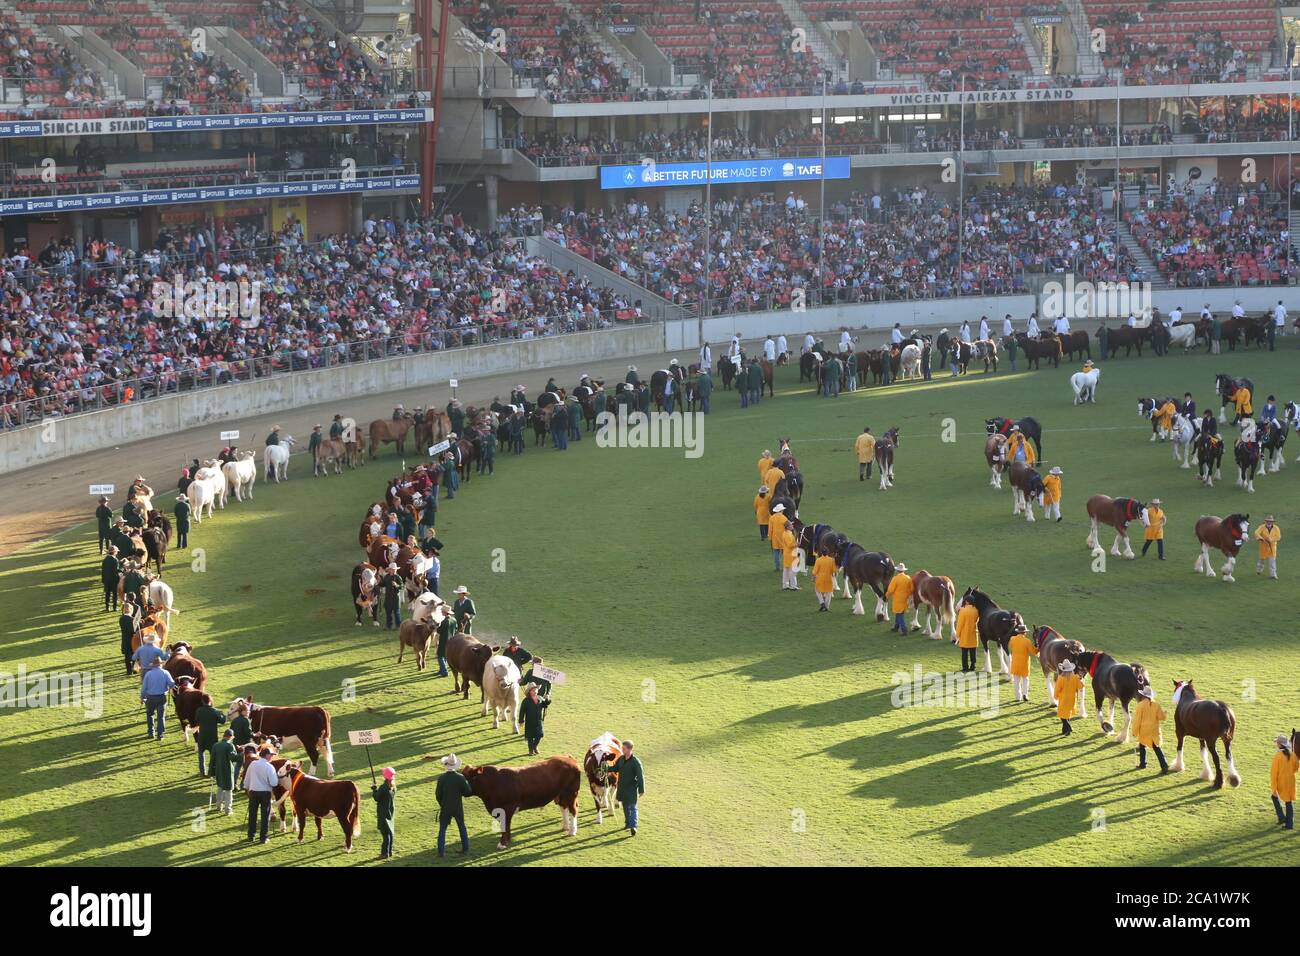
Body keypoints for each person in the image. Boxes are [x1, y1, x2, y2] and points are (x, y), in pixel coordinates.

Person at [436, 754, 473, 856]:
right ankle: (465, 849)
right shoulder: (460, 778)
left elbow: (438, 795)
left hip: (445, 807)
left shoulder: (442, 778)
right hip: (457, 806)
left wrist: (442, 803)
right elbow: (468, 791)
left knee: (442, 829)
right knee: (462, 827)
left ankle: (441, 852)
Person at [609, 739, 646, 835]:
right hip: (621, 787)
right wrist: (606, 768)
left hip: (632, 789)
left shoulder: (636, 762)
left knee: (632, 807)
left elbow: (640, 776)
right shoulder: (621, 759)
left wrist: (641, 790)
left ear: (630, 749)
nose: (622, 750)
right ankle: (628, 824)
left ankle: (633, 826)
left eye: (624, 749)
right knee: (625, 806)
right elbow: (615, 768)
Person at [244, 747, 279, 844]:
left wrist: (247, 789)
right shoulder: (269, 767)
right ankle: (263, 837)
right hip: (265, 793)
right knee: (265, 815)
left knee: (252, 814)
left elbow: (247, 779)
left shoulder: (253, 764)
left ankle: (251, 836)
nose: (272, 757)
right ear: (267, 755)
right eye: (271, 755)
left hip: (253, 792)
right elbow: (274, 783)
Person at [1131, 686, 1168, 773]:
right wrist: (1165, 713)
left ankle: (1143, 764)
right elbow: (1161, 717)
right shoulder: (1156, 705)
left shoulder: (1140, 705)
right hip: (1154, 730)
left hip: (1144, 731)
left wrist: (1134, 731)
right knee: (1157, 748)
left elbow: (1137, 720)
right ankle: (1164, 766)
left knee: (1142, 746)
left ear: (1143, 695)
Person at [140, 656, 176, 741]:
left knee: (150, 715)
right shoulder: (165, 672)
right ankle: (160, 735)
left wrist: (142, 697)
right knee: (161, 717)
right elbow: (171, 684)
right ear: (160, 664)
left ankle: (151, 733)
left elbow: (144, 687)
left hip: (150, 698)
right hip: (161, 697)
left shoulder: (148, 674)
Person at [192, 693, 227, 777]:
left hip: (202, 736)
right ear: (210, 701)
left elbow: (196, 720)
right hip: (212, 737)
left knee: (201, 754)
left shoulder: (199, 710)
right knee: (213, 756)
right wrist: (222, 714)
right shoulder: (215, 711)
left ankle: (202, 772)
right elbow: (223, 721)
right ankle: (212, 772)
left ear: (202, 701)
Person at [1270, 734, 1297, 830]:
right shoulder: (1293, 755)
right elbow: (1296, 768)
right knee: (1288, 801)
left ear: (1280, 744)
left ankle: (1283, 819)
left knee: (1274, 797)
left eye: (1277, 742)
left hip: (1281, 782)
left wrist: (1273, 787)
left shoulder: (1278, 756)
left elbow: (1274, 773)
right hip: (1291, 782)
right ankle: (1288, 822)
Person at [210, 729, 240, 815]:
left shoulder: (216, 745)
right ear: (231, 737)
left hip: (218, 770)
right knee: (228, 790)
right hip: (227, 771)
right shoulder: (230, 746)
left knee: (220, 788)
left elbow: (212, 760)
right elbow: (233, 758)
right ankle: (228, 810)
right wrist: (242, 754)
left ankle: (218, 806)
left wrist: (211, 772)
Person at [519, 683, 550, 756]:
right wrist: (521, 720)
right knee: (530, 737)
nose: (534, 691)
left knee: (539, 736)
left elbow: (545, 705)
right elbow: (522, 711)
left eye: (535, 690)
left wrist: (547, 699)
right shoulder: (526, 701)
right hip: (529, 722)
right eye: (532, 690)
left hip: (539, 721)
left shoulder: (540, 698)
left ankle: (535, 746)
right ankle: (530, 751)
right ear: (529, 691)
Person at [373, 767, 396, 859]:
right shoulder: (393, 787)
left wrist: (374, 789)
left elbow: (377, 798)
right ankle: (389, 851)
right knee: (390, 833)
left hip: (383, 814)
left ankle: (384, 853)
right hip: (390, 813)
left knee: (385, 834)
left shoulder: (383, 788)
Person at [1007, 625, 1036, 701]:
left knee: (1016, 680)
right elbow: (1033, 652)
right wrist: (1038, 649)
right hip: (1024, 663)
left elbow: (1010, 646)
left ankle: (1017, 697)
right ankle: (1025, 694)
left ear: (1018, 632)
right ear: (1025, 632)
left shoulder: (1012, 639)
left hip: (1015, 663)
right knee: (1025, 679)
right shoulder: (1027, 641)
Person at [1055, 660, 1083, 736]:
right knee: (1067, 715)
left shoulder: (1061, 678)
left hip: (1063, 699)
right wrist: (1080, 679)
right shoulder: (1075, 677)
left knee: (1062, 715)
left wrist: (1055, 696)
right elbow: (1081, 686)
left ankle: (1069, 727)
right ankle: (1065, 731)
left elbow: (1057, 688)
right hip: (1072, 698)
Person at [885, 563, 913, 635]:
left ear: (897, 570)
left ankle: (904, 630)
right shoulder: (908, 578)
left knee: (899, 614)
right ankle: (896, 627)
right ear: (903, 570)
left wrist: (887, 595)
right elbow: (911, 589)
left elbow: (891, 590)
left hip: (898, 599)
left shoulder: (895, 578)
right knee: (900, 613)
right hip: (905, 599)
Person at [118, 591, 141, 675]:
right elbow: (135, 630)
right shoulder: (132, 620)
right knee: (134, 655)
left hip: (125, 640)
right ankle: (134, 668)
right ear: (131, 610)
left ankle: (128, 671)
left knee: (127, 657)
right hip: (133, 640)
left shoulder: (121, 619)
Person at [955, 599, 979, 673]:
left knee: (964, 652)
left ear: (967, 601)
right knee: (973, 652)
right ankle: (973, 666)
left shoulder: (963, 610)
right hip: (973, 633)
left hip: (965, 634)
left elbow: (960, 623)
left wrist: (957, 634)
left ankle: (965, 667)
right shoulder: (976, 610)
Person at [1256, 515, 1281, 579]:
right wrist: (1261, 538)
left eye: (1270, 521)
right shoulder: (1261, 527)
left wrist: (1271, 540)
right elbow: (1256, 533)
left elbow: (1278, 537)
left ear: (1272, 522)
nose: (1269, 522)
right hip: (1263, 547)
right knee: (1261, 560)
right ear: (1265, 521)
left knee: (1272, 561)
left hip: (1272, 548)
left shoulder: (1276, 528)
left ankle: (1273, 575)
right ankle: (1259, 570)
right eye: (1268, 521)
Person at [380, 563, 403, 630]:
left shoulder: (398, 577)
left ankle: (399, 626)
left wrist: (396, 585)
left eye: (394, 569)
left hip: (395, 598)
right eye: (392, 569)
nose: (394, 570)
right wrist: (379, 583)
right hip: (388, 598)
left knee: (397, 613)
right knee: (388, 613)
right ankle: (388, 626)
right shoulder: (386, 577)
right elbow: (383, 584)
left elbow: (402, 586)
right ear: (389, 570)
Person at [768, 503, 789, 573]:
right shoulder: (784, 518)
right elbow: (788, 528)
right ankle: (786, 565)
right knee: (785, 553)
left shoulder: (771, 518)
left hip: (775, 538)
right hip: (783, 538)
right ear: (781, 510)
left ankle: (777, 567)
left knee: (776, 553)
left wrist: (770, 538)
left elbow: (770, 529)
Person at [779, 522, 800, 591]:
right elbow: (790, 545)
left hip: (787, 554)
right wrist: (797, 544)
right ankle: (793, 586)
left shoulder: (785, 533)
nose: (792, 525)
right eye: (791, 525)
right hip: (791, 555)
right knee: (792, 571)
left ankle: (785, 585)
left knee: (786, 571)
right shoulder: (788, 534)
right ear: (787, 527)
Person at [435, 608, 455, 677]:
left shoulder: (445, 621)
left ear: (445, 613)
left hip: (443, 641)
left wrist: (437, 626)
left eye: (442, 611)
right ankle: (441, 670)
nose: (441, 612)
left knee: (440, 656)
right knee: (445, 656)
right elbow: (456, 628)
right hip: (451, 640)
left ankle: (444, 671)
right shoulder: (454, 620)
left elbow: (439, 631)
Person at [102, 546, 122, 612]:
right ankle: (114, 607)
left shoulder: (105, 559)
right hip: (114, 580)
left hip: (107, 579)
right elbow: (116, 570)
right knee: (114, 594)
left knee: (107, 594)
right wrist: (122, 569)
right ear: (114, 552)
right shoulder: (115, 560)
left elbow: (103, 571)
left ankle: (107, 607)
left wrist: (103, 580)